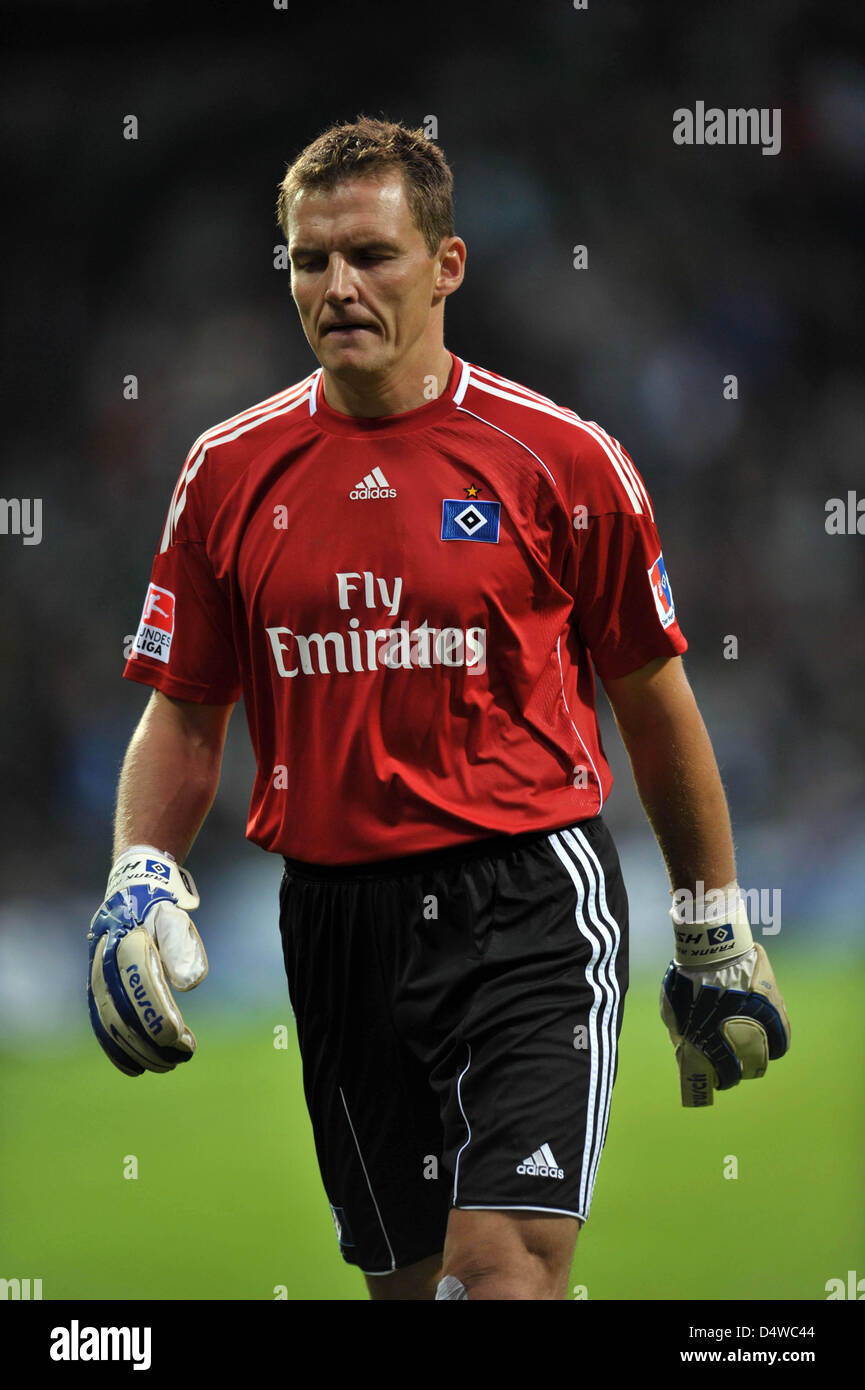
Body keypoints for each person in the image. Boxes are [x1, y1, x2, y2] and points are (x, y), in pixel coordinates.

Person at [88, 116, 790, 1302]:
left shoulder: (561, 461)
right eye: (311, 262)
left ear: (447, 265)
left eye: (372, 255)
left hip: (526, 901)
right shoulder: (224, 471)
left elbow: (653, 700)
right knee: (416, 1290)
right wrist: (138, 870)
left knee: (498, 1273)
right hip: (332, 923)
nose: (337, 286)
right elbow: (185, 711)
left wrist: (711, 917)